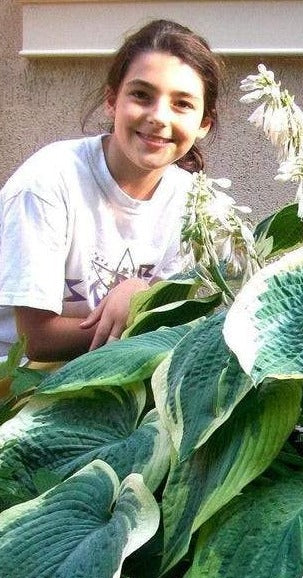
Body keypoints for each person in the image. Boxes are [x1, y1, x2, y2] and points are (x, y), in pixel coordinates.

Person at [0, 19, 224, 362]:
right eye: (141, 95)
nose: (159, 117)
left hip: (118, 374)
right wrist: (140, 309)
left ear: (204, 123)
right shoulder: (48, 182)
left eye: (182, 103)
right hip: (21, 380)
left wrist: (140, 294)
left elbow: (177, 318)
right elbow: (35, 339)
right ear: (112, 100)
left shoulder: (195, 205)